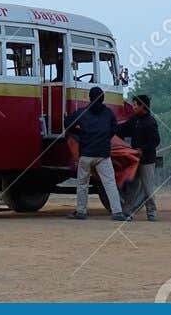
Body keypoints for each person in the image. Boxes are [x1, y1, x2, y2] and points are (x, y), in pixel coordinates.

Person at [66, 86, 129, 221]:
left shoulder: (82, 112)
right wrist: (105, 138)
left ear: (90, 98)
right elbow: (114, 129)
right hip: (103, 155)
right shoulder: (108, 113)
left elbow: (67, 123)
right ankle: (117, 212)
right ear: (103, 98)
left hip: (86, 154)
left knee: (82, 184)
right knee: (110, 183)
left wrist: (79, 134)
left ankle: (81, 211)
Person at [115, 94, 160, 221]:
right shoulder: (134, 120)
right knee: (131, 186)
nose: (133, 107)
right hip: (134, 160)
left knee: (148, 187)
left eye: (135, 104)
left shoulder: (151, 122)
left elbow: (155, 141)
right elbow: (122, 130)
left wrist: (142, 149)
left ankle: (151, 212)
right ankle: (127, 212)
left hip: (147, 160)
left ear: (142, 107)